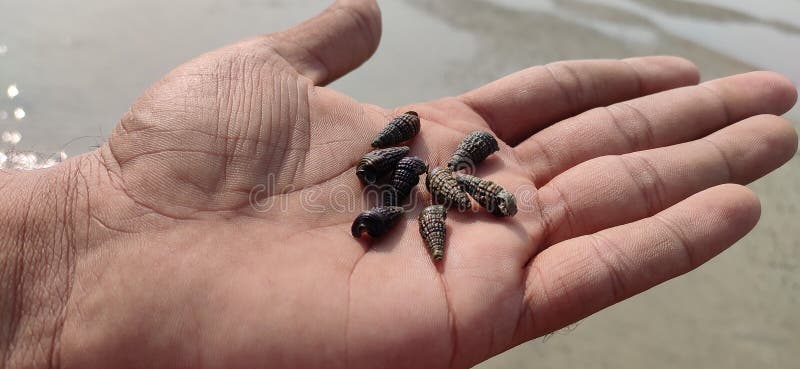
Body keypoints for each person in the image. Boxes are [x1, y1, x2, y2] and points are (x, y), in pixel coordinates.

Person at [0, 0, 796, 368]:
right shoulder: (405, 181)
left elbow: (424, 179)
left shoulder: (428, 184)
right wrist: (70, 242)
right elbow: (409, 176)